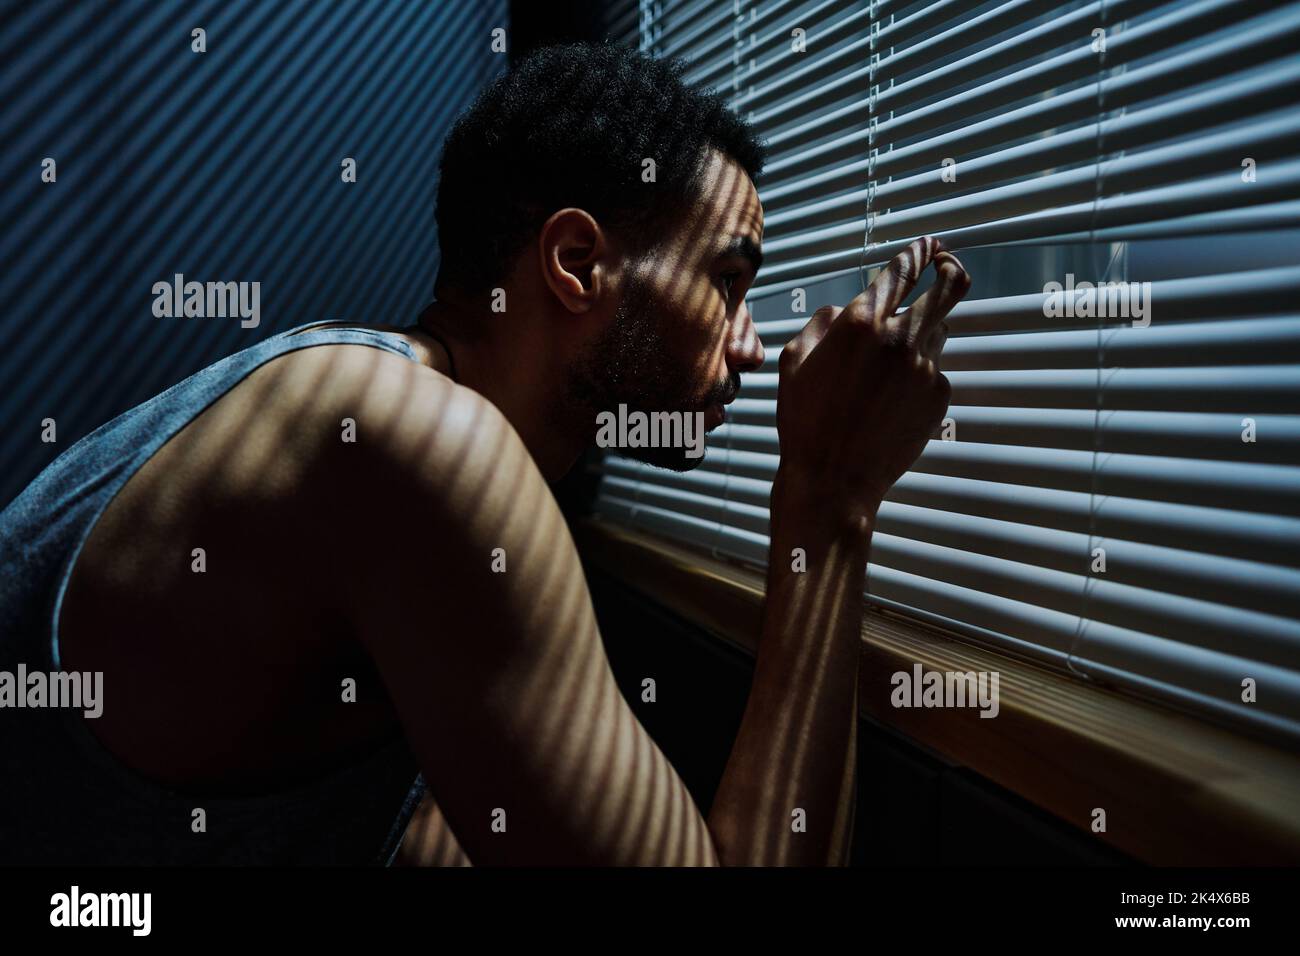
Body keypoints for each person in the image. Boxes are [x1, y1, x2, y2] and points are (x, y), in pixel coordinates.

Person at [0, 41, 968, 865]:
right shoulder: (410, 439)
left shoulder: (353, 398)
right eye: (727, 278)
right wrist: (830, 498)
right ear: (578, 264)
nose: (753, 342)